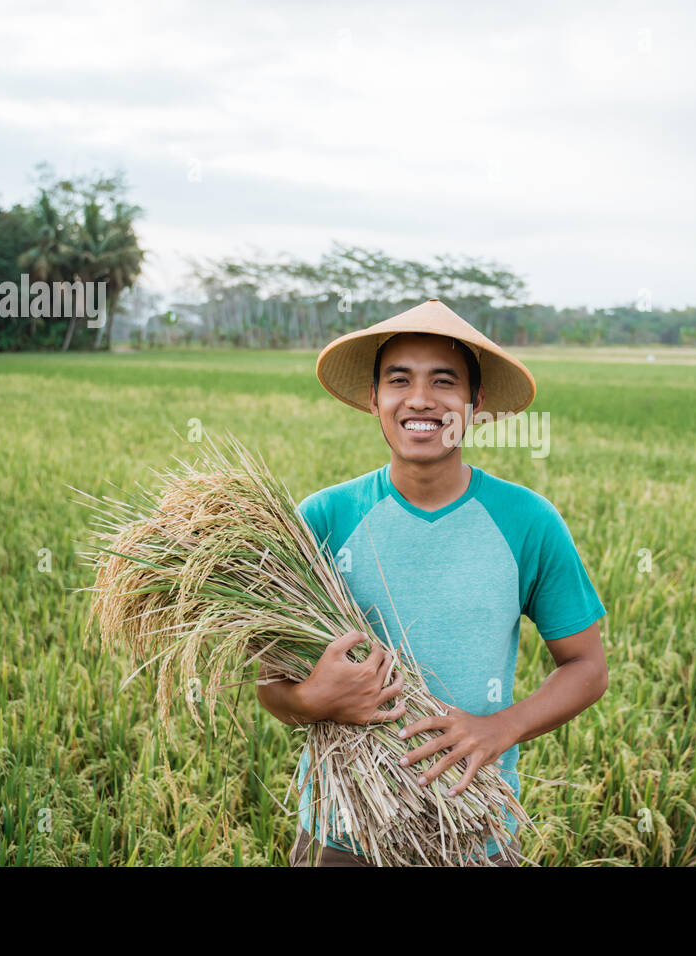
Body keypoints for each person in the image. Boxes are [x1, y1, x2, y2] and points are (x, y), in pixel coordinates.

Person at [256, 297, 609, 866]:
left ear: (476, 402)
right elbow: (270, 684)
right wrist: (310, 699)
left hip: (473, 829)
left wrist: (501, 728)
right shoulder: (321, 519)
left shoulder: (527, 522)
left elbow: (587, 666)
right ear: (375, 398)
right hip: (343, 829)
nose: (420, 399)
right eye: (399, 380)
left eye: (444, 381)